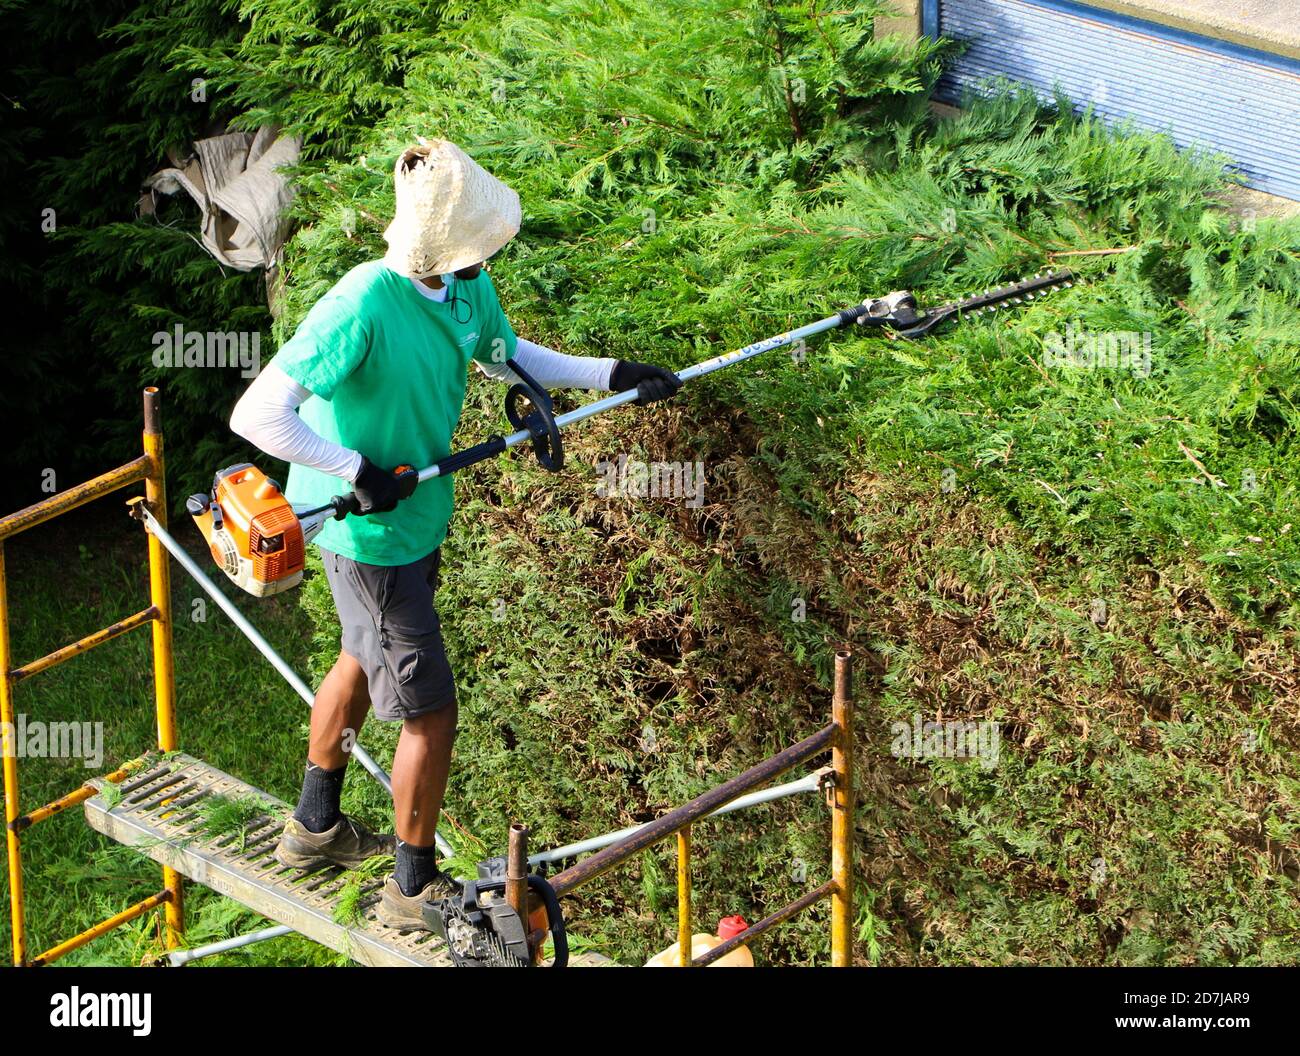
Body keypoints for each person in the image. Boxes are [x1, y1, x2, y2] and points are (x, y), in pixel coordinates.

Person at [229, 138, 680, 930]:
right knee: (430, 712)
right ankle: (411, 887)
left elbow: (507, 358)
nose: (487, 256)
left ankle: (315, 827)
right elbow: (258, 413)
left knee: (357, 659)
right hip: (367, 535)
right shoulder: (362, 301)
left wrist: (613, 373)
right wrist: (354, 468)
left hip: (415, 521)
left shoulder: (468, 286)